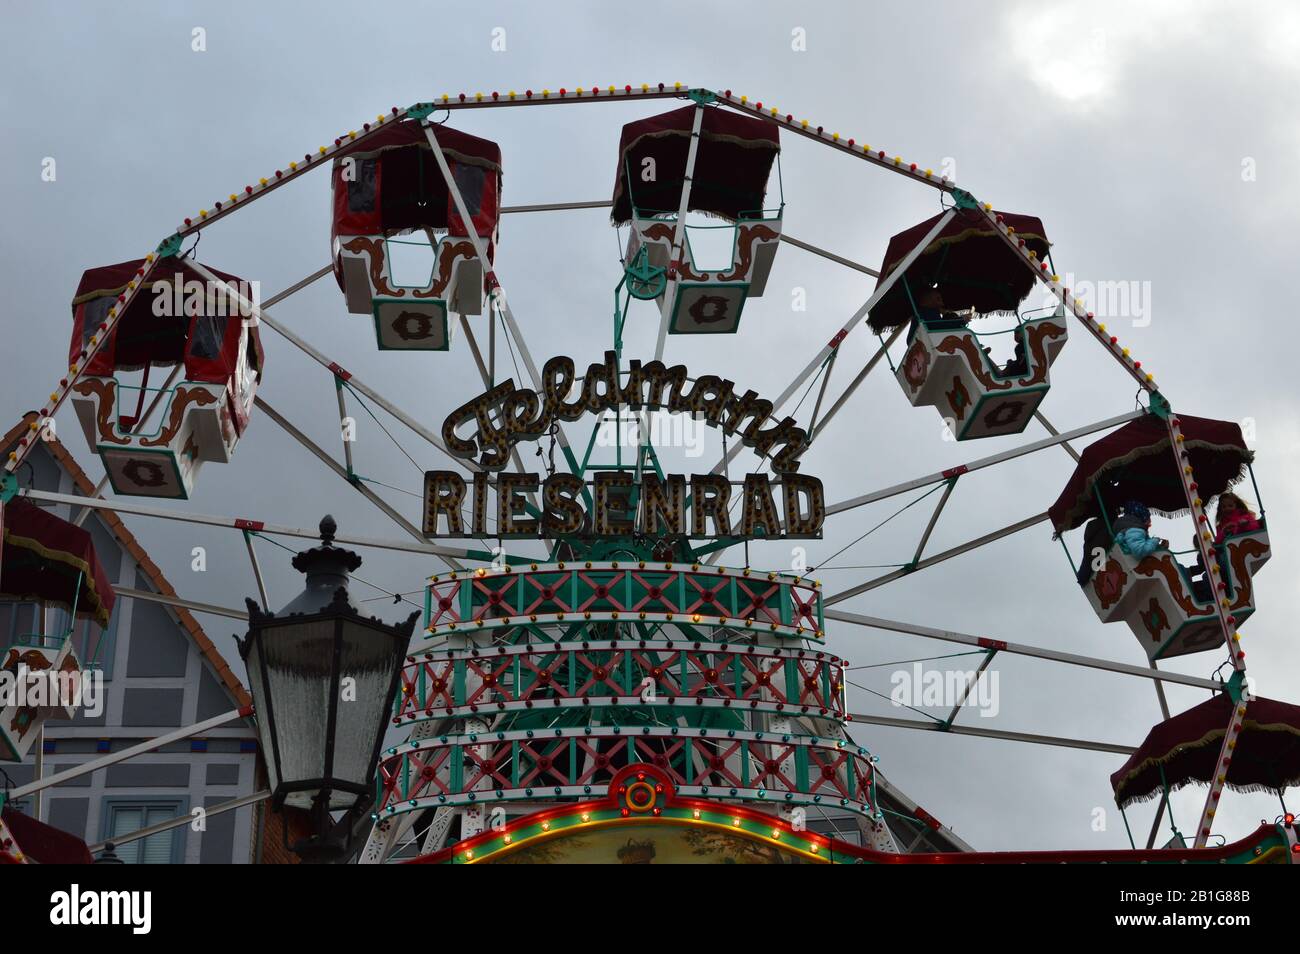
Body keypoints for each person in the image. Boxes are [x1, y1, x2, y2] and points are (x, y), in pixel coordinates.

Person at [1076, 512, 1115, 586]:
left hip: (1098, 563)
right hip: (1108, 563)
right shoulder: (1112, 525)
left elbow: (1086, 562)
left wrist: (1081, 578)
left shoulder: (1090, 534)